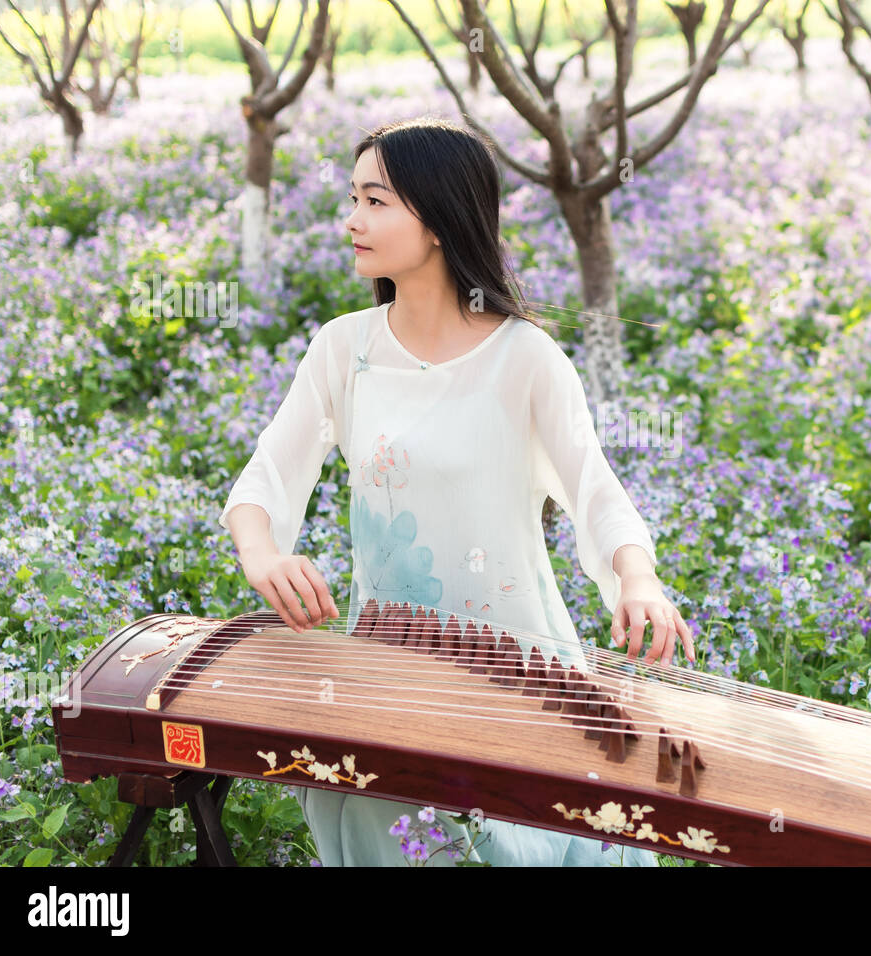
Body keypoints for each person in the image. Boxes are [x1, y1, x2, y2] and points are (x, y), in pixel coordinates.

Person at [218, 116, 694, 866]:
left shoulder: (525, 359)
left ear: (437, 219)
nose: (351, 221)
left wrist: (638, 580)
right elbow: (266, 479)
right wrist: (262, 552)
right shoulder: (345, 350)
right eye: (352, 198)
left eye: (376, 201)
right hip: (393, 679)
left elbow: (594, 490)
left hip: (523, 678)